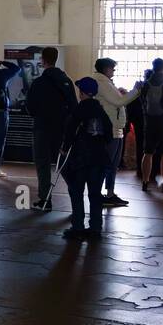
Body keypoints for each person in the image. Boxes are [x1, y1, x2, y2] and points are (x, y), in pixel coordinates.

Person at [60, 78, 114, 240]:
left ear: (82, 93)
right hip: (99, 158)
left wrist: (64, 148)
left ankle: (78, 227)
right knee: (95, 194)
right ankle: (95, 229)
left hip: (80, 158)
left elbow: (70, 130)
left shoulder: (79, 110)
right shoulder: (101, 110)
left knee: (76, 191)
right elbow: (109, 134)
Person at [24, 46, 75, 211]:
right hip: (61, 128)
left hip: (42, 128)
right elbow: (74, 106)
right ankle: (76, 196)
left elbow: (30, 107)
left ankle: (45, 200)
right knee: (63, 163)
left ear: (42, 60)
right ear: (56, 59)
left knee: (43, 164)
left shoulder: (39, 83)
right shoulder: (66, 81)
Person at [92, 58, 140, 207]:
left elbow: (116, 101)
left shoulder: (106, 82)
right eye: (112, 68)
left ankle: (110, 193)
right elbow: (119, 102)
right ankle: (98, 194)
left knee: (113, 165)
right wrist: (136, 91)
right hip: (110, 129)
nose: (114, 71)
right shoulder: (102, 82)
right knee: (106, 164)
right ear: (106, 69)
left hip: (116, 129)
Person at [138, 57, 163, 193]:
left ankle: (144, 182)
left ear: (153, 67)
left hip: (150, 122)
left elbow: (142, 104)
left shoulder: (145, 86)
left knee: (147, 152)